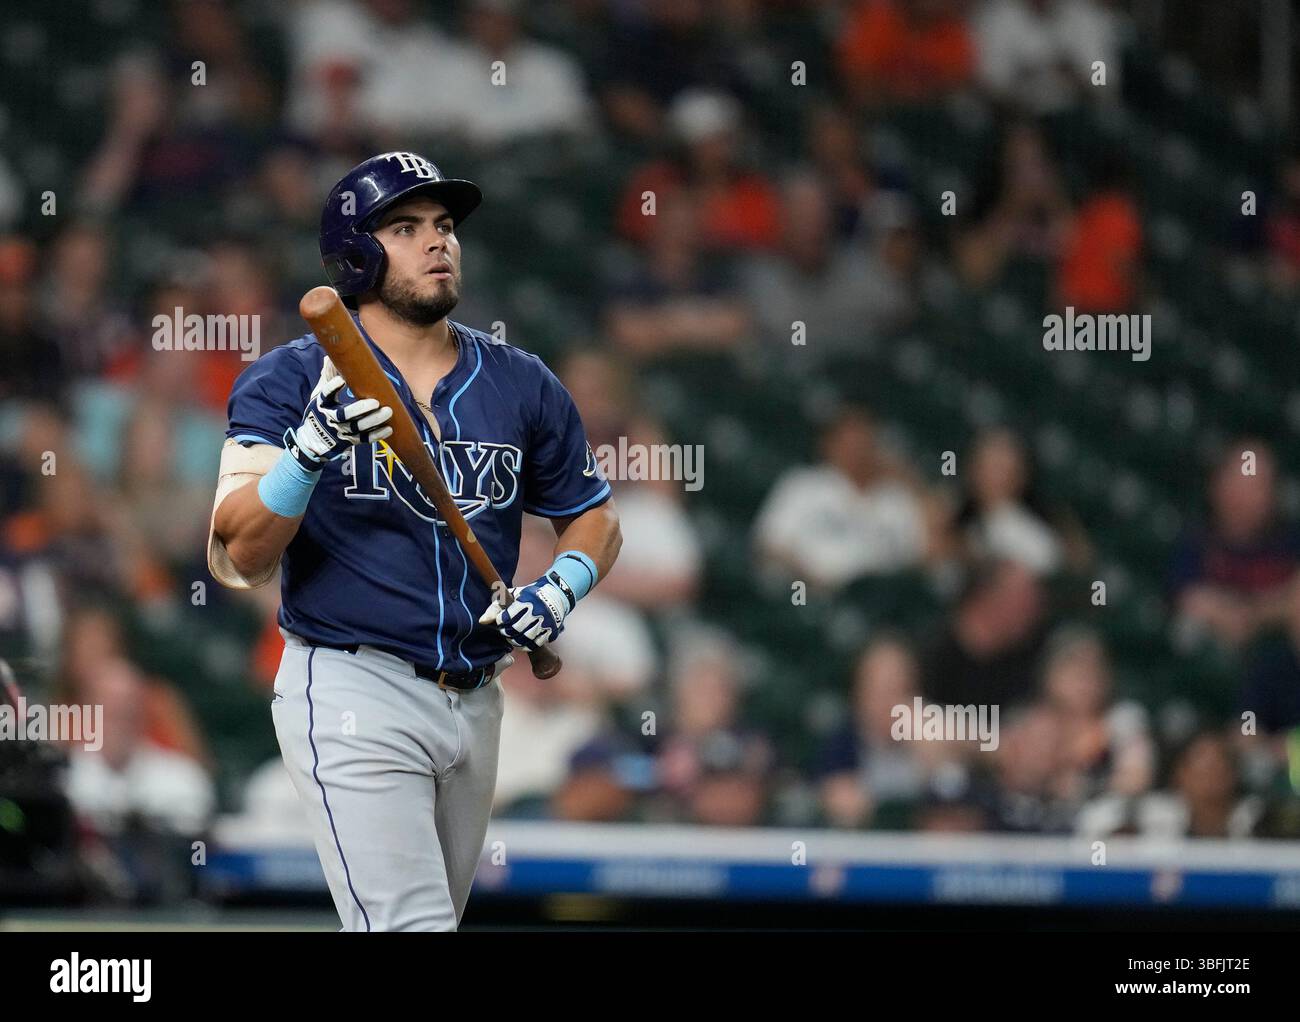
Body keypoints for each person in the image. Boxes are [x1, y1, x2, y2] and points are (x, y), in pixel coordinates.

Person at [208, 151, 622, 931]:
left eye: (443, 226)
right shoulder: (289, 381)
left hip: (477, 698)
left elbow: (595, 516)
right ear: (358, 253)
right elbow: (244, 547)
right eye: (406, 228)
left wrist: (560, 587)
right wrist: (307, 451)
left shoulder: (521, 380)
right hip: (353, 685)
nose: (438, 242)